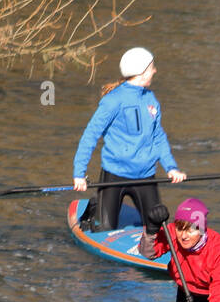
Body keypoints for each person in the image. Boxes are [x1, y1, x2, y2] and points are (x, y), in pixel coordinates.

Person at [72, 47, 187, 231]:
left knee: (156, 229)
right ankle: (95, 208)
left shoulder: (150, 99)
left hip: (145, 175)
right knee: (103, 230)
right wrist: (79, 173)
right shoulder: (113, 101)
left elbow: (158, 136)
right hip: (114, 175)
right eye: (152, 67)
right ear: (141, 72)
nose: (155, 70)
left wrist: (171, 167)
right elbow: (90, 135)